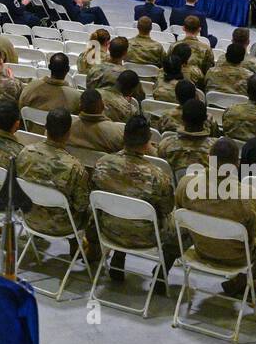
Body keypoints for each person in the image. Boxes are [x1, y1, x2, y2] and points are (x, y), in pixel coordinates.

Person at [174, 137, 256, 298]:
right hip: (237, 259)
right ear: (237, 164)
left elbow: (179, 215)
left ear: (208, 158)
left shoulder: (186, 184)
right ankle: (241, 281)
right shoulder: (247, 196)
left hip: (200, 249)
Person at [92, 114, 178, 284]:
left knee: (122, 206)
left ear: (124, 138)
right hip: (146, 237)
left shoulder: (102, 164)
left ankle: (119, 254)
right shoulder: (158, 176)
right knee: (182, 224)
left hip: (109, 229)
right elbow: (167, 209)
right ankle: (161, 272)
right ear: (148, 142)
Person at [16, 108, 98, 265]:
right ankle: (88, 251)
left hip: (29, 218)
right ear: (68, 133)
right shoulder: (74, 166)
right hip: (63, 226)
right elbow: (81, 206)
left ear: (46, 128)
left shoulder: (25, 153)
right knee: (94, 207)